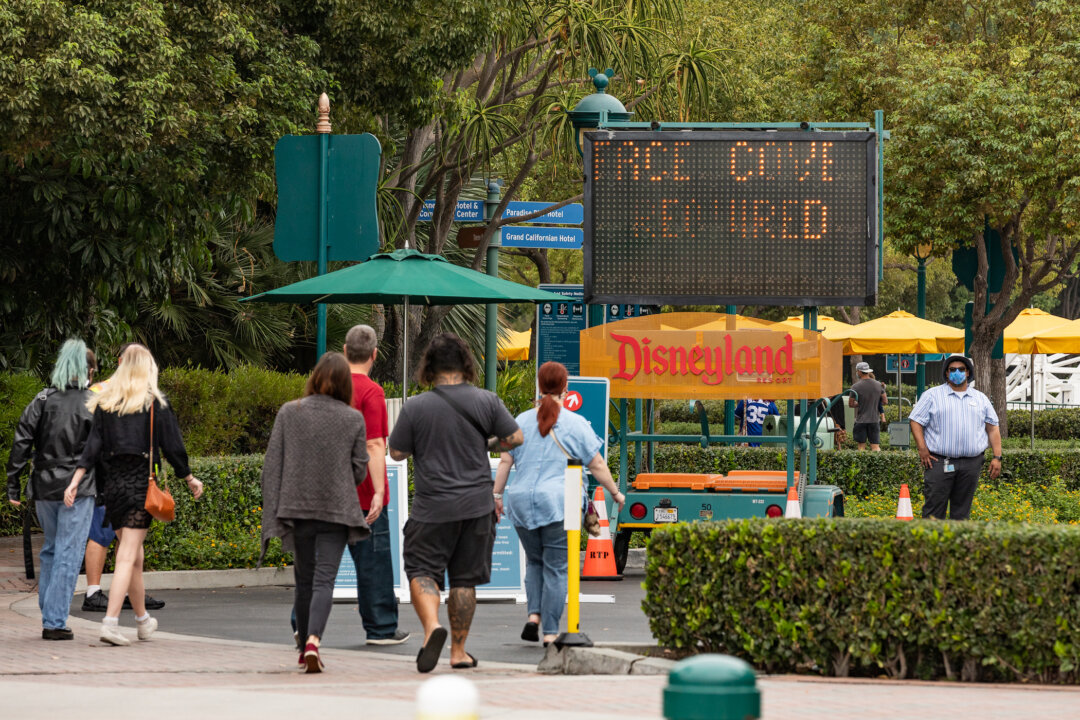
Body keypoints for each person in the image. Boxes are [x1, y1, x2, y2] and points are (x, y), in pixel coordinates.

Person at [388, 333, 523, 673]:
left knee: (422, 570)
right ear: (466, 364)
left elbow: (397, 452)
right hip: (477, 506)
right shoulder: (487, 401)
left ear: (429, 368)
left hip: (432, 508)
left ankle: (432, 627)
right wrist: (486, 442)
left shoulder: (416, 406)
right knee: (464, 580)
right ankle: (458, 652)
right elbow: (515, 438)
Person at [66, 344, 203, 646]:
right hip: (141, 485)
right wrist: (189, 478)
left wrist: (75, 481)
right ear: (148, 368)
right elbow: (173, 447)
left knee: (134, 556)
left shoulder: (107, 404)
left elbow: (91, 449)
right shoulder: (155, 403)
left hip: (113, 488)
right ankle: (111, 622)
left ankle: (142, 621)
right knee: (128, 554)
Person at [493, 361, 625, 646]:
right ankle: (550, 632)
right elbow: (597, 463)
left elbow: (505, 461)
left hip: (520, 503)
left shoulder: (521, 420)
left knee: (535, 562)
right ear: (566, 388)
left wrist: (496, 496)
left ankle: (533, 617)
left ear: (540, 387)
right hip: (558, 504)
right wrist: (615, 492)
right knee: (555, 567)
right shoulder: (575, 423)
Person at [261, 352, 373, 673]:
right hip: (336, 510)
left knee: (304, 580)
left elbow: (273, 464)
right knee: (325, 579)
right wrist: (339, 481)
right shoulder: (353, 418)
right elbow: (359, 469)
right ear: (344, 383)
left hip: (297, 509)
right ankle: (313, 641)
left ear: (314, 377)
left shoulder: (289, 412)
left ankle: (302, 646)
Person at [6, 340, 98, 640]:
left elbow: (22, 441)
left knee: (51, 549)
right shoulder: (92, 401)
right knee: (69, 553)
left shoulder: (42, 398)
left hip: (44, 485)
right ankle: (55, 621)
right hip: (79, 487)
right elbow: (102, 449)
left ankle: (50, 613)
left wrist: (13, 485)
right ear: (87, 370)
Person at [82, 342, 165, 613]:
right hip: (108, 476)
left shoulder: (141, 394)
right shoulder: (101, 391)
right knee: (102, 532)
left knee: (128, 540)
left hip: (133, 478)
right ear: (121, 362)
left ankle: (132, 591)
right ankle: (93, 591)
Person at [343, 325, 409, 646]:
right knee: (373, 562)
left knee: (321, 564)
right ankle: (381, 627)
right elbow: (374, 445)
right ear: (374, 354)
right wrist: (380, 490)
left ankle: (306, 627)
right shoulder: (372, 392)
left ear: (344, 351)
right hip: (364, 493)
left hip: (331, 491)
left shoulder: (329, 388)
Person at [909, 355, 1002, 520]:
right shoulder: (932, 395)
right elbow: (915, 420)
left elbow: (993, 427)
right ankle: (930, 544)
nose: (957, 373)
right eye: (952, 370)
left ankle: (956, 544)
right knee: (934, 509)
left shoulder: (980, 398)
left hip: (971, 463)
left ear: (968, 373)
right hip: (938, 462)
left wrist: (997, 456)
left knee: (962, 511)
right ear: (946, 373)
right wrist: (922, 448)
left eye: (961, 369)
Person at [848, 362, 886, 451]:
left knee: (861, 446)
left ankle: (862, 464)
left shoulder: (855, 387)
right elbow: (885, 401)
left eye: (857, 371)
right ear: (868, 371)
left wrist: (859, 404)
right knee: (875, 446)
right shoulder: (879, 385)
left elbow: (851, 404)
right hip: (874, 420)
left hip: (861, 420)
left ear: (860, 372)